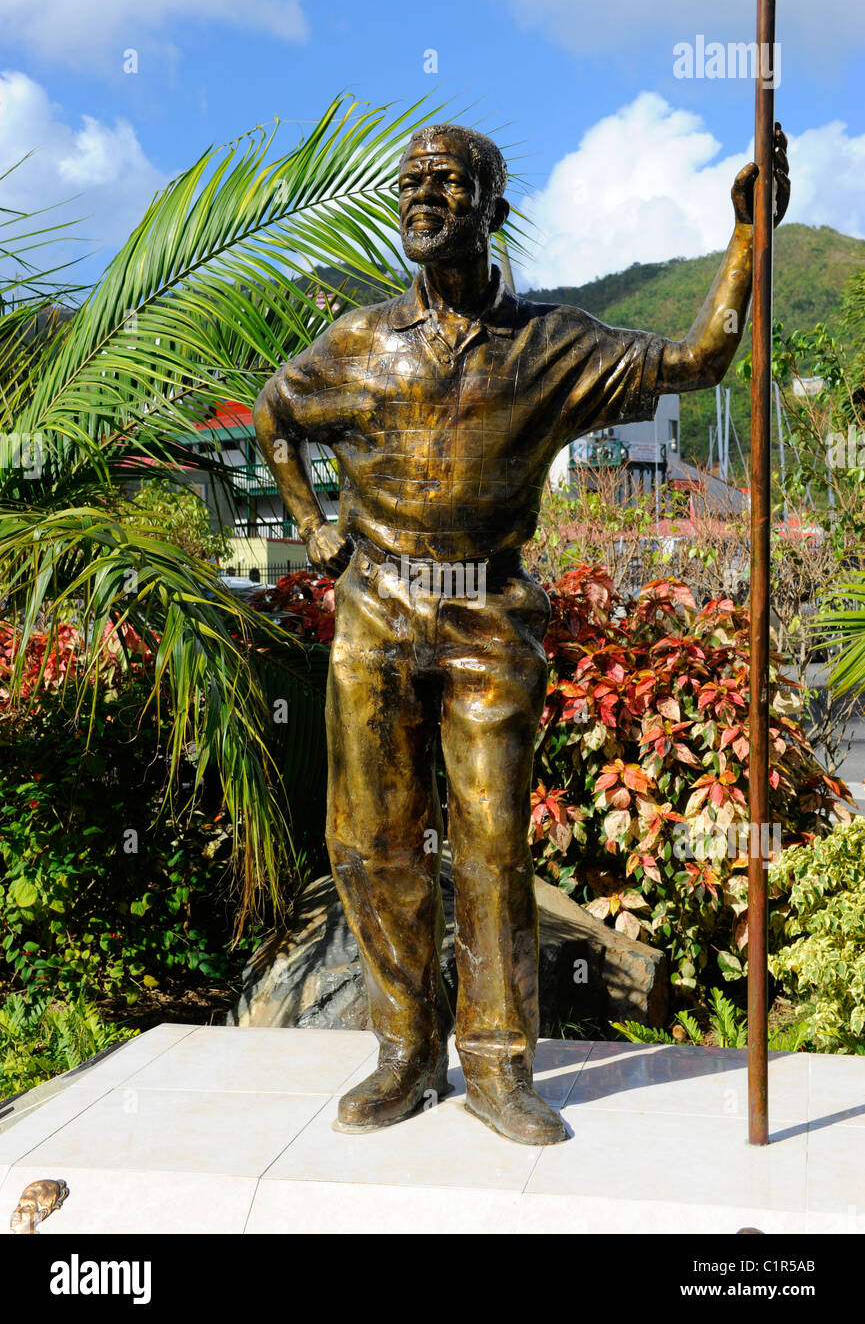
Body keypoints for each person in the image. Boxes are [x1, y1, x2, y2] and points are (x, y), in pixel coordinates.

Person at [254, 121, 789, 1145]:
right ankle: (404, 1052)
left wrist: (747, 244)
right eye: (410, 184)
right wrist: (313, 522)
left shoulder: (552, 345)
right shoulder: (360, 343)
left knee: (493, 843)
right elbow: (277, 415)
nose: (422, 198)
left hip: (488, 620)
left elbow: (699, 360)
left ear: (490, 208)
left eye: (446, 183)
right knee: (374, 845)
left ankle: (499, 1066)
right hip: (375, 609)